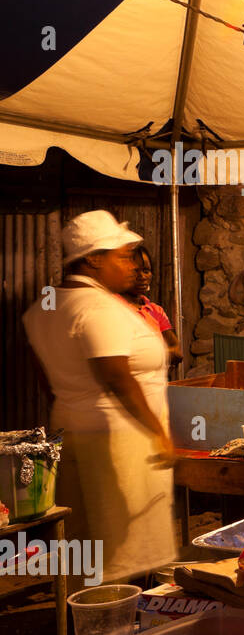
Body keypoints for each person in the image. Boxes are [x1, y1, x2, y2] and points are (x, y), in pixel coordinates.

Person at [23, 211, 176, 584]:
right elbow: (116, 378)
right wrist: (157, 432)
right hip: (118, 442)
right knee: (120, 549)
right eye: (121, 256)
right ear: (93, 259)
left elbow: (46, 377)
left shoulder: (46, 307)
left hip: (71, 432)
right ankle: (113, 627)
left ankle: (81, 625)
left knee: (85, 546)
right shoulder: (99, 308)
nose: (130, 265)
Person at [127, 246, 183, 367]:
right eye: (135, 271)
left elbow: (177, 352)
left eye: (146, 271)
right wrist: (162, 355)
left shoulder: (156, 311)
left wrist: (144, 356)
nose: (142, 276)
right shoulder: (116, 307)